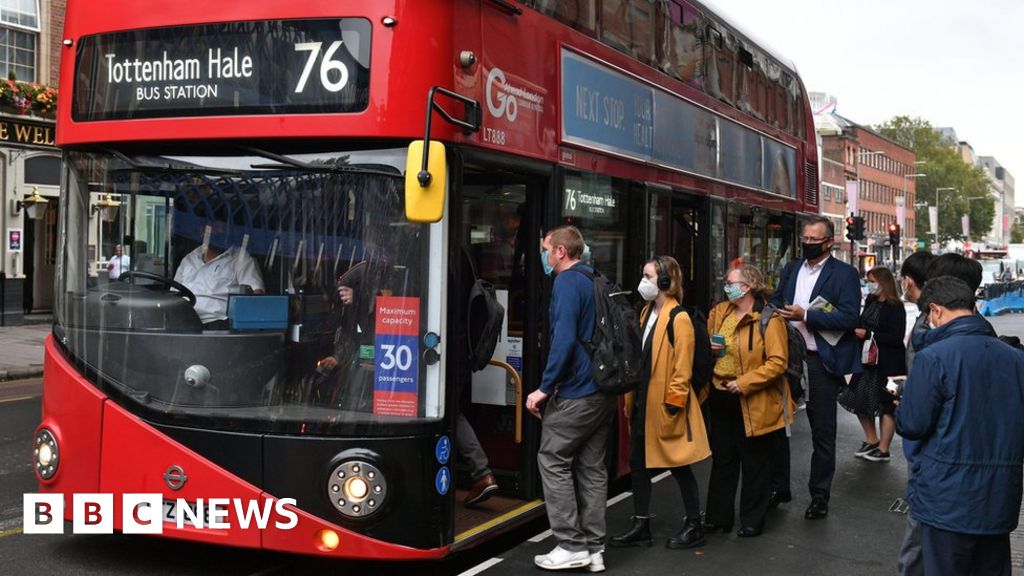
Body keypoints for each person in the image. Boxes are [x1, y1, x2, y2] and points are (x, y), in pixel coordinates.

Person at [896, 276, 1024, 576]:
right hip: (1000, 494)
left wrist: (904, 400)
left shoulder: (933, 357)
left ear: (936, 309)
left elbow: (913, 424)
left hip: (947, 495)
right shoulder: (1016, 359)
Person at [526, 225, 616, 572]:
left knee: (552, 459)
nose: (544, 255)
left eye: (546, 249)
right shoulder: (594, 278)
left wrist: (544, 388)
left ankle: (570, 544)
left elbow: (562, 340)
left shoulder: (565, 283)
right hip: (602, 389)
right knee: (592, 468)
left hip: (576, 391)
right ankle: (594, 549)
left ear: (560, 251)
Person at [608, 256, 710, 550]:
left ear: (666, 282)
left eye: (649, 277)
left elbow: (682, 367)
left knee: (678, 465)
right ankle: (641, 525)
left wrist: (673, 404)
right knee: (638, 464)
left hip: (666, 406)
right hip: (643, 403)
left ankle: (694, 525)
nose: (643, 282)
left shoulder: (679, 318)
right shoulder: (645, 312)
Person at [771, 216, 861, 520]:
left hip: (819, 360)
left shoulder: (844, 274)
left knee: (822, 432)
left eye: (813, 239)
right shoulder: (791, 268)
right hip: (786, 357)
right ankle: (778, 487)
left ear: (829, 242)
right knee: (776, 426)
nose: (807, 243)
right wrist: (778, 312)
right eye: (805, 238)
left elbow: (849, 318)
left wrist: (806, 315)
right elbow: (776, 299)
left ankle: (819, 495)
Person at [704, 264, 793, 537]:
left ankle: (752, 520)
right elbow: (708, 345)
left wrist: (744, 383)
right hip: (720, 394)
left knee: (754, 461)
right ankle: (718, 518)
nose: (726, 287)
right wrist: (711, 349)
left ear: (747, 287)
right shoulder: (720, 312)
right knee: (723, 459)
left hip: (753, 399)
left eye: (731, 283)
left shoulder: (768, 319)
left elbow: (778, 362)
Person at [839, 266, 906, 462]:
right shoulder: (871, 300)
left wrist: (869, 334)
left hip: (889, 363)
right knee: (856, 397)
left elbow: (896, 337)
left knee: (888, 403)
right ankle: (872, 439)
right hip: (867, 361)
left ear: (883, 283)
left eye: (872, 281)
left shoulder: (895, 306)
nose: (869, 285)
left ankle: (884, 449)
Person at [174, 221, 265, 328]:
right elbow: (173, 293)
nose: (215, 231)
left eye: (218, 227)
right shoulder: (189, 259)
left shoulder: (240, 258)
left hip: (218, 324)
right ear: (202, 231)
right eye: (211, 227)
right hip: (183, 321)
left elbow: (256, 293)